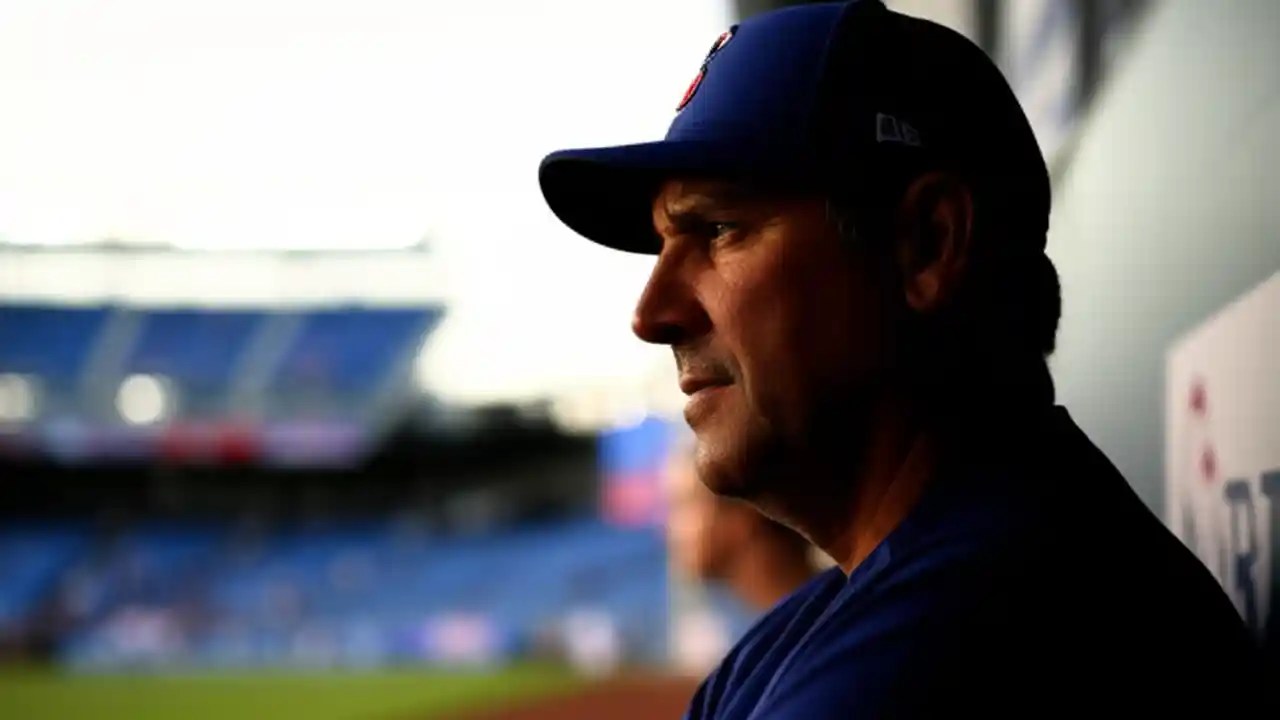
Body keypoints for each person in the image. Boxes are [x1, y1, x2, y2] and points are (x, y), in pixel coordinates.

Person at [538, 1, 1269, 716]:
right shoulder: (805, 637)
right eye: (666, 244)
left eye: (720, 229)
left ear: (925, 245)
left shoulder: (980, 625)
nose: (651, 314)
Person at [666, 438, 819, 613]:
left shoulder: (825, 627)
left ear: (745, 513)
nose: (670, 528)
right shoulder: (803, 618)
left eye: (685, 503)